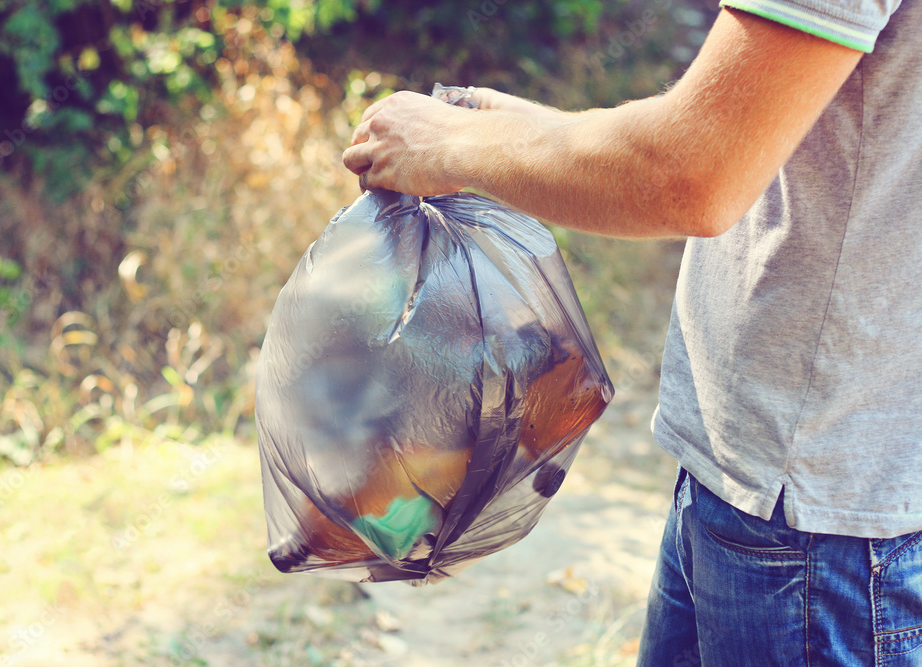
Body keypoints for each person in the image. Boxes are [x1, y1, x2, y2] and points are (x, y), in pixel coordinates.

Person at [342, 0, 922, 664]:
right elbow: (751, 124)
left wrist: (452, 145)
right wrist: (541, 130)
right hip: (779, 484)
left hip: (817, 527)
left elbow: (689, 174)